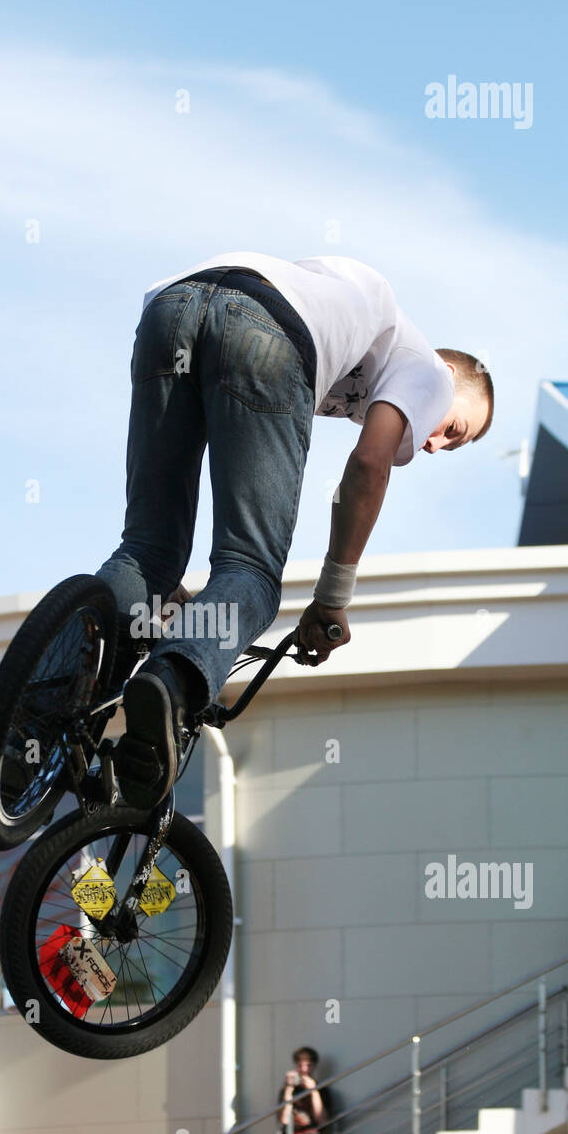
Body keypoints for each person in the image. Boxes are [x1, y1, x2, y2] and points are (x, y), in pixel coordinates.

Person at [94, 251, 494, 808]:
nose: (434, 443)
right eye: (454, 428)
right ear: (449, 378)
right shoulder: (425, 368)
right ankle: (170, 680)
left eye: (450, 445)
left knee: (147, 555)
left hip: (171, 307)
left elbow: (216, 410)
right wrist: (332, 600)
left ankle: (38, 718)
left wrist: (171, 595)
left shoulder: (353, 322)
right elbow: (368, 468)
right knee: (250, 572)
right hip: (265, 324)